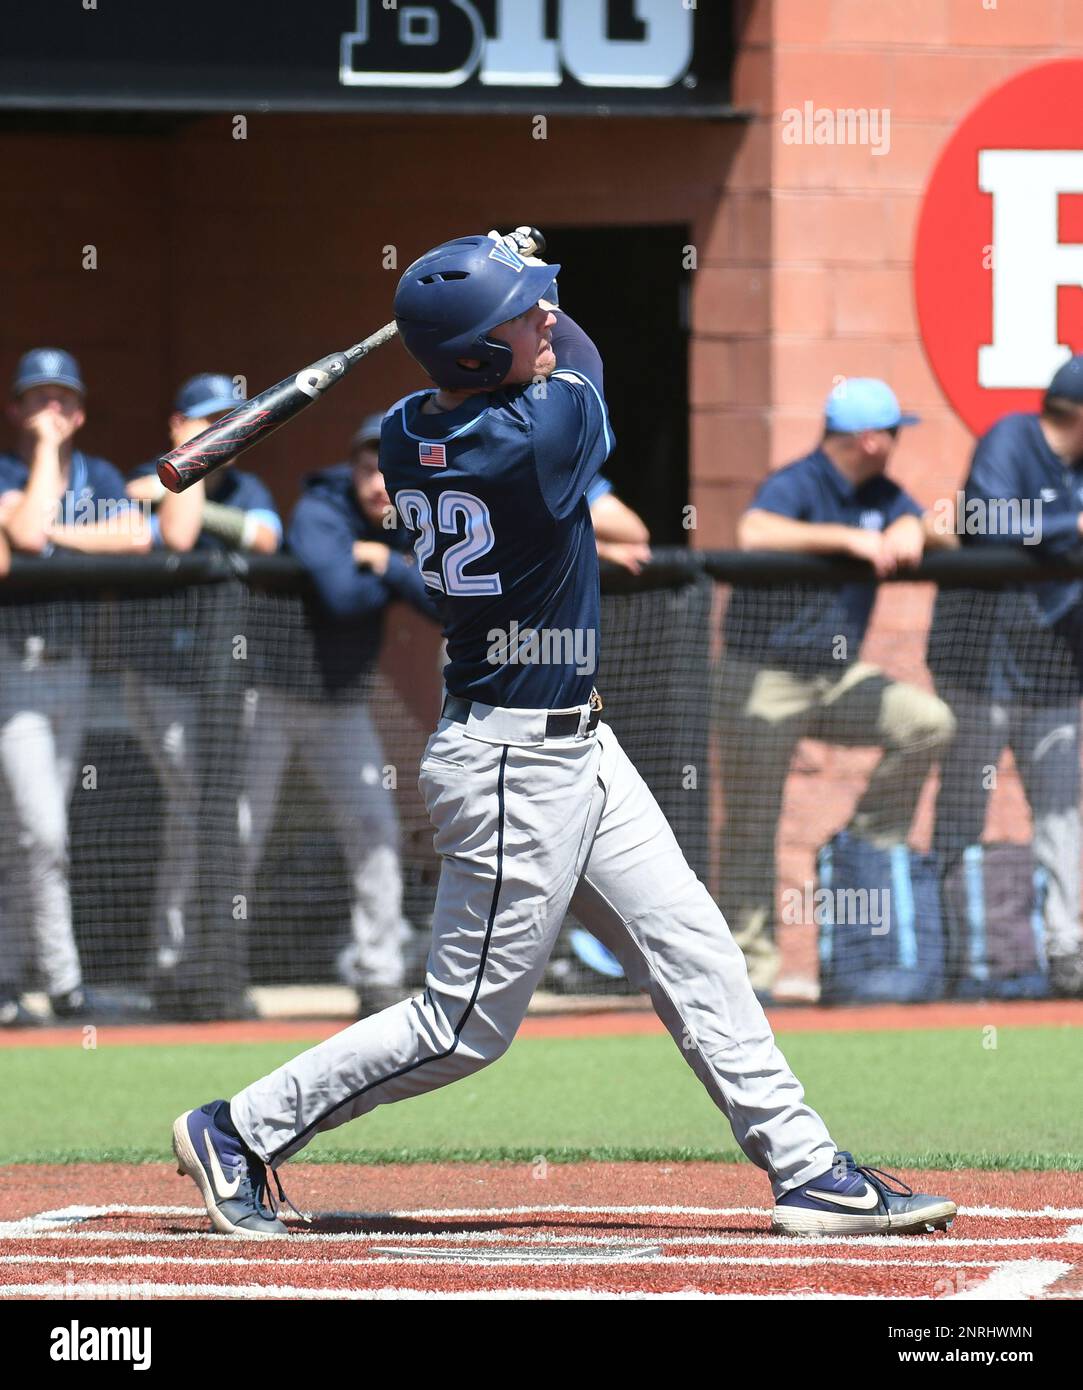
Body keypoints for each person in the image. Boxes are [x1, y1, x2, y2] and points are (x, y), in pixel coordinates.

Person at [172, 232, 954, 1238]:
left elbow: (514, 355)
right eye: (522, 310)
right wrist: (516, 268)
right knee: (462, 1029)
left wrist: (499, 276)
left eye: (539, 303)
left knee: (697, 950)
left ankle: (809, 1170)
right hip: (510, 765)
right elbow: (580, 358)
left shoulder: (412, 430)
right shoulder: (539, 435)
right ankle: (239, 1129)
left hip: (576, 744)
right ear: (476, 357)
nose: (546, 314)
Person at [719, 379, 958, 997]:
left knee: (927, 723)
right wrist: (850, 541)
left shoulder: (882, 492)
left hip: (837, 678)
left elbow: (942, 533)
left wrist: (916, 531)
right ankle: (752, 976)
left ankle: (868, 839)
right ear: (871, 439)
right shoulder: (801, 480)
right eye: (895, 432)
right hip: (763, 677)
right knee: (752, 827)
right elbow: (755, 533)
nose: (899, 442)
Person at [241, 411, 437, 1018]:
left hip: (341, 703)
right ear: (350, 470)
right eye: (366, 466)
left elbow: (445, 601)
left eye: (390, 468)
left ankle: (378, 974)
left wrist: (384, 561)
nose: (379, 480)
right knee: (241, 833)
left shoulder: (412, 522)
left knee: (375, 828)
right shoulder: (320, 510)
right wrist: (398, 571)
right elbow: (341, 596)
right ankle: (207, 968)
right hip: (270, 696)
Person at [0, 348, 151, 1027]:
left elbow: (141, 536)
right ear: (17, 409)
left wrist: (62, 534)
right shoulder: (7, 470)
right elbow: (25, 532)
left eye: (63, 399)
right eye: (39, 398)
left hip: (75, 669)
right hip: (16, 669)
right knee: (40, 833)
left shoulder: (100, 473)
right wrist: (42, 457)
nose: (52, 409)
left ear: (81, 409)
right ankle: (63, 984)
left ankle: (9, 982)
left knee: (28, 837)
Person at [125, 373, 282, 1013]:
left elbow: (269, 537)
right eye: (207, 421)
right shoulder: (148, 476)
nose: (225, 433)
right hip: (163, 678)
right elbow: (179, 535)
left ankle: (199, 960)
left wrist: (197, 499)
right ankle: (178, 963)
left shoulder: (249, 486)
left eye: (230, 422)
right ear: (178, 424)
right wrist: (183, 463)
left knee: (218, 825)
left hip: (230, 683)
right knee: (203, 818)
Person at [930, 355, 1083, 998]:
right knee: (963, 809)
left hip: (1058, 671)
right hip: (981, 666)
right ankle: (950, 951)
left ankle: (1067, 949)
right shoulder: (1011, 438)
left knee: (1063, 813)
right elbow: (985, 519)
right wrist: (1069, 528)